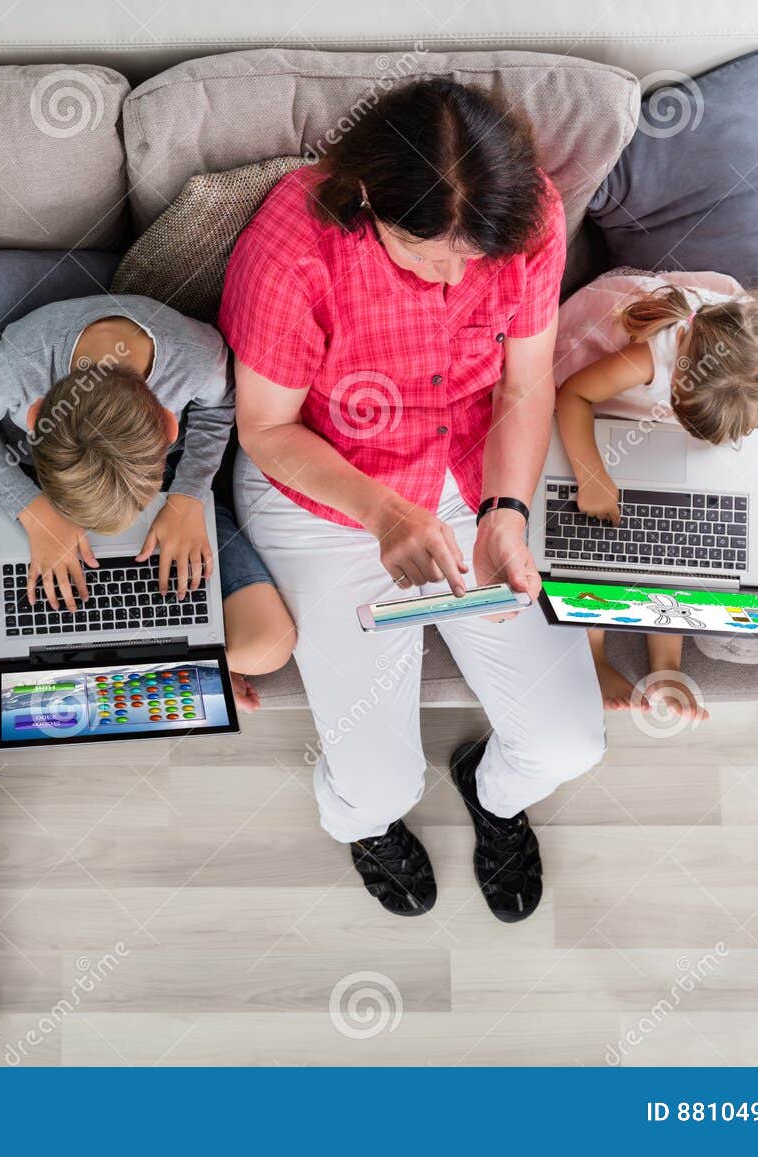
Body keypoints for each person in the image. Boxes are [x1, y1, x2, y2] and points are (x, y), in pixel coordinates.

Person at [219, 77, 605, 922]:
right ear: (366, 199)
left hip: (470, 469)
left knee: (570, 741)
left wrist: (505, 510)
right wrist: (386, 514)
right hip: (325, 488)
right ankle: (368, 822)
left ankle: (492, 794)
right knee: (374, 783)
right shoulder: (297, 245)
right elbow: (266, 430)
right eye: (428, 251)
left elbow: (526, 384)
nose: (452, 274)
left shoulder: (523, 212)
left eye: (472, 258)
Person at [0, 293, 296, 708]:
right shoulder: (20, 363)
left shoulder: (196, 357)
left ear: (168, 425)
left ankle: (121, 677)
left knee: (270, 647)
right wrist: (34, 510)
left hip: (168, 497)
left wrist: (187, 495)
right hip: (44, 498)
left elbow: (221, 406)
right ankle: (176, 673)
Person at [553, 270, 758, 719]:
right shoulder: (652, 354)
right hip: (595, 398)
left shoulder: (757, 355)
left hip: (654, 426)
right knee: (596, 536)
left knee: (682, 546)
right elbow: (573, 395)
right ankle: (594, 655)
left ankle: (665, 665)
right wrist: (592, 476)